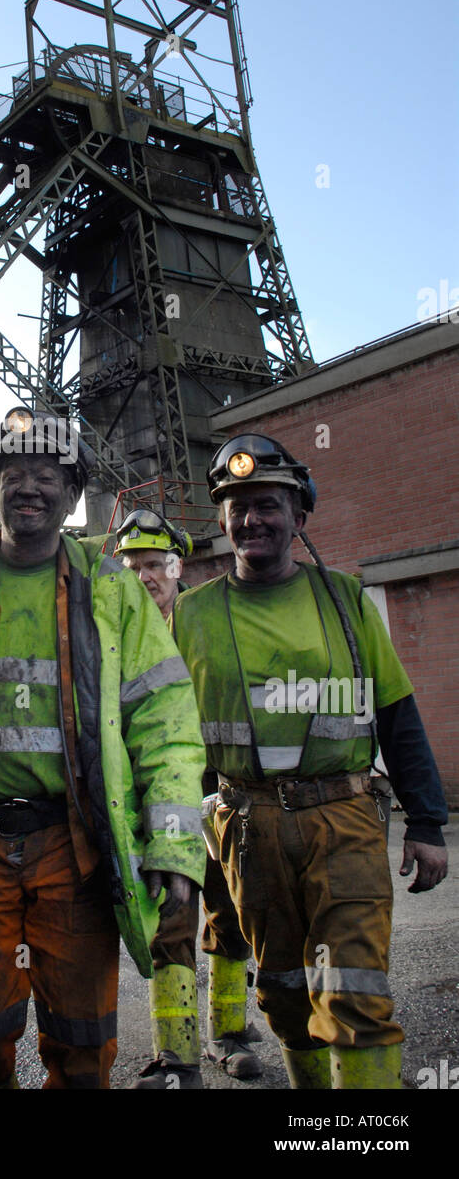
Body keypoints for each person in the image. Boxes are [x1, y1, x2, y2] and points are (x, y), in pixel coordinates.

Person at [0, 406, 206, 1089]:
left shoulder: (109, 588)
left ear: (74, 495)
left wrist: (172, 845)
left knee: (83, 1048)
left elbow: (164, 718)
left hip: (72, 848)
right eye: (13, 473)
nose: (30, 487)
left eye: (49, 475)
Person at [172, 433, 449, 1090]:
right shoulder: (191, 615)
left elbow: (397, 715)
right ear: (221, 520)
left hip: (344, 817)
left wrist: (429, 822)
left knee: (354, 991)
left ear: (300, 515)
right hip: (245, 828)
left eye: (268, 504)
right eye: (237, 507)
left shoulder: (346, 601)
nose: (252, 519)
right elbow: (163, 732)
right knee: (285, 994)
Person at [115, 510, 261, 1088]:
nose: (146, 577)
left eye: (155, 565)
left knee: (229, 913)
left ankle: (228, 1032)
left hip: (218, 794)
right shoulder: (112, 634)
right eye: (133, 568)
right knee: (169, 920)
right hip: (155, 801)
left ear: (177, 569)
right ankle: (177, 1057)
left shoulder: (205, 625)